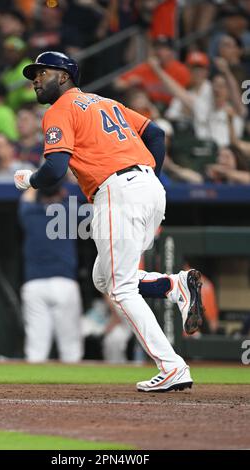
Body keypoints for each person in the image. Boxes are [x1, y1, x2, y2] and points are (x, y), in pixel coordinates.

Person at [14, 51, 203, 392]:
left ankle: (172, 366)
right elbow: (157, 134)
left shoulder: (60, 109)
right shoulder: (105, 101)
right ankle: (174, 285)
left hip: (117, 190)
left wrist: (30, 180)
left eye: (43, 72)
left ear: (65, 76)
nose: (36, 80)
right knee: (106, 278)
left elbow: (55, 171)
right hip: (149, 188)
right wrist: (146, 179)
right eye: (34, 75)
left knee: (120, 288)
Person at [18, 185, 83, 363]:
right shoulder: (69, 210)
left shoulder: (30, 212)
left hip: (35, 285)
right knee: (71, 350)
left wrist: (37, 182)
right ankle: (78, 392)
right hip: (64, 284)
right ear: (60, 192)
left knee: (36, 351)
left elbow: (27, 196)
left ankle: (30, 391)